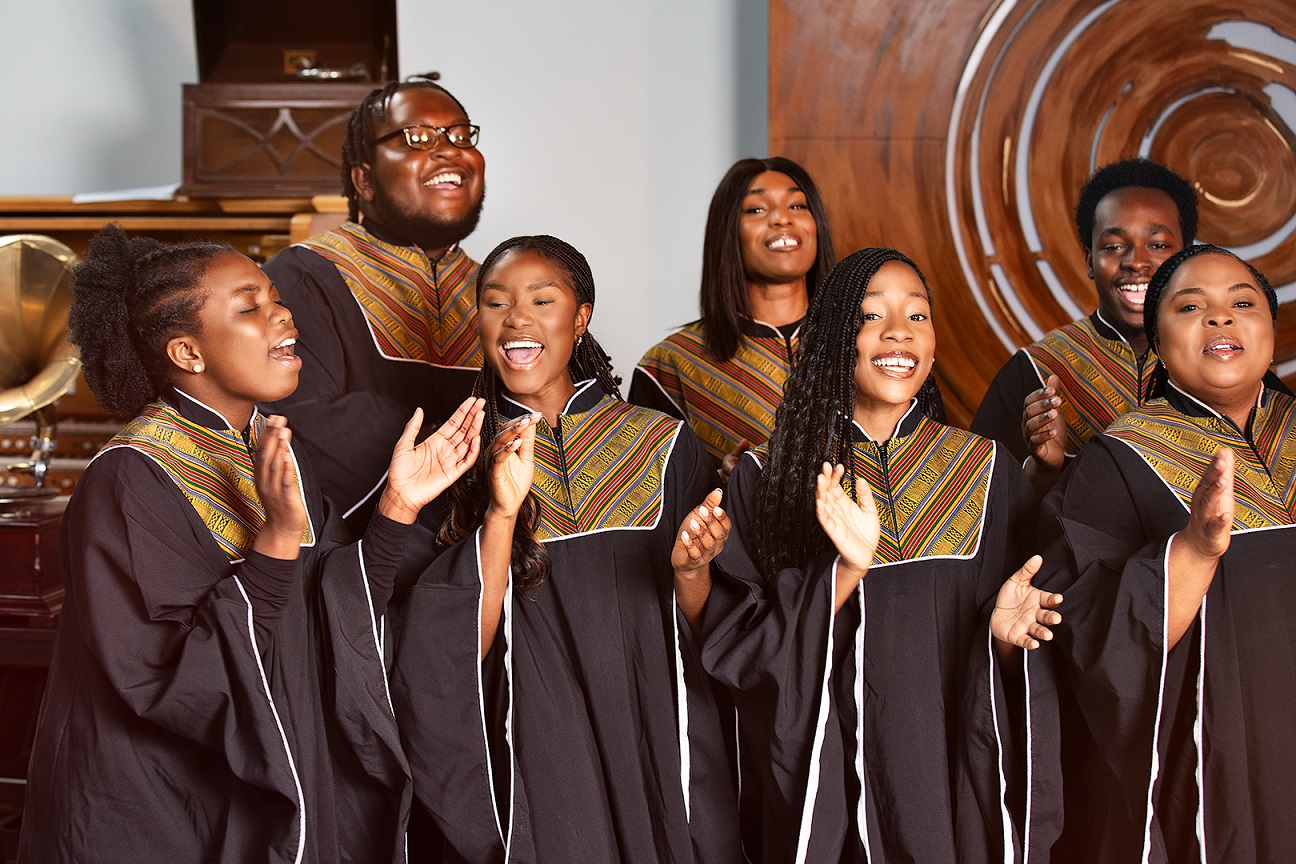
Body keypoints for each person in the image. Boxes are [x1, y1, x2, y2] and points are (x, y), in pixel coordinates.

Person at [19, 225, 485, 863]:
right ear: (189, 353)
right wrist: (276, 539)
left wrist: (399, 505)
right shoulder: (129, 476)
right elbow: (169, 679)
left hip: (271, 779)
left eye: (274, 297)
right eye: (250, 307)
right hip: (161, 807)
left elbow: (336, 610)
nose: (282, 314)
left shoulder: (269, 446)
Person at [698, 248, 1061, 863]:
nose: (899, 332)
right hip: (838, 794)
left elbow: (1039, 649)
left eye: (917, 316)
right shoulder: (771, 478)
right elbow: (741, 653)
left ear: (935, 344)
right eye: (871, 316)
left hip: (956, 785)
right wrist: (841, 573)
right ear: (835, 339)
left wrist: (1004, 640)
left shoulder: (988, 469)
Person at [391, 235, 742, 863]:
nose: (516, 318)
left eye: (541, 300)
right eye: (495, 302)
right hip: (538, 745)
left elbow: (714, 626)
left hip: (660, 731)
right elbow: (452, 649)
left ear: (579, 318)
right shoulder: (454, 458)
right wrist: (501, 511)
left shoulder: (663, 444)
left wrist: (692, 572)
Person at [1036, 244, 1296, 862]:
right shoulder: (1115, 461)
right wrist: (1196, 551)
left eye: (1242, 303)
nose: (1221, 319)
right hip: (1213, 769)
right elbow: (1090, 641)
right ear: (1155, 340)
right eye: (1190, 306)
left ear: (1270, 329)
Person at [264, 78, 487, 532]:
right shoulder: (302, 276)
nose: (450, 150)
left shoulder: (504, 293)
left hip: (499, 558)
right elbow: (307, 425)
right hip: (365, 561)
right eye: (418, 137)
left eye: (461, 136)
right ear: (363, 178)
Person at [971, 157, 1196, 493]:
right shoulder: (1033, 371)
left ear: (1186, 255)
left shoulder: (1223, 360)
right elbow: (981, 508)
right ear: (1091, 261)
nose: (1135, 261)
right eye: (1114, 246)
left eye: (1158, 245)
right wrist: (1043, 469)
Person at [632, 156, 836, 481]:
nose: (782, 219)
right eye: (757, 209)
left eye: (797, 206)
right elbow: (655, 501)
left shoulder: (867, 342)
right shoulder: (668, 366)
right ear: (728, 231)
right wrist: (720, 485)